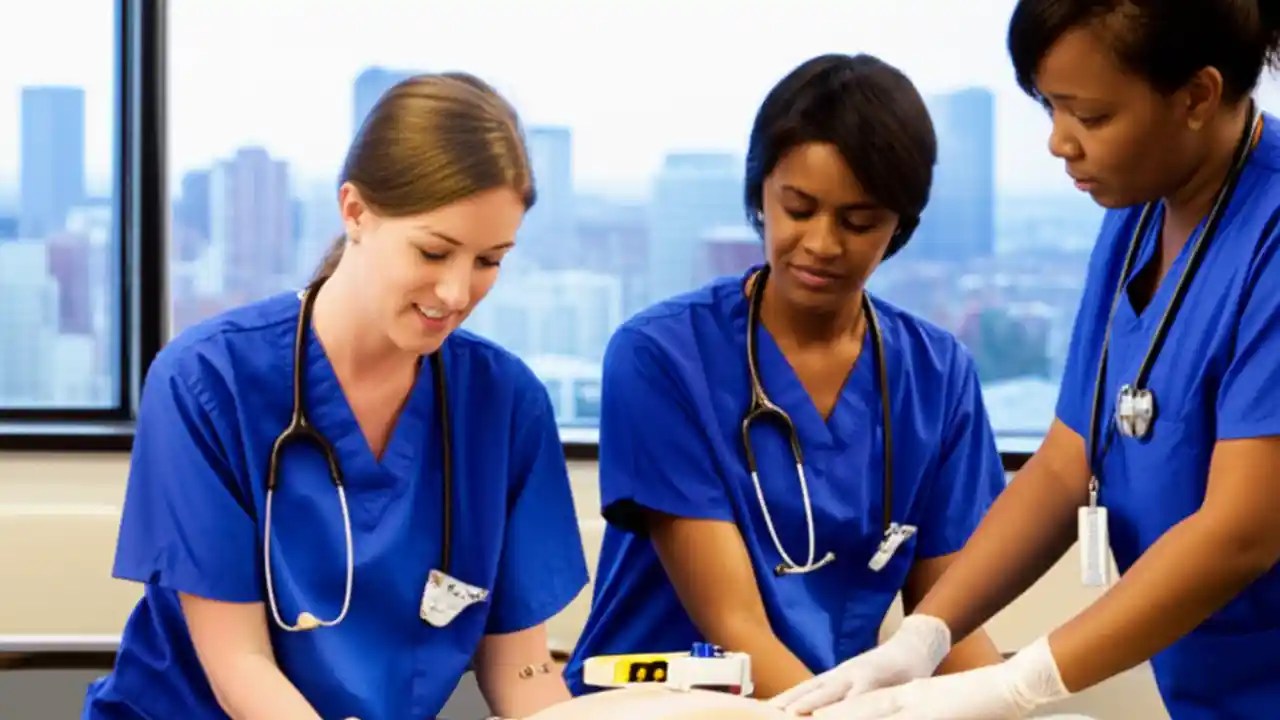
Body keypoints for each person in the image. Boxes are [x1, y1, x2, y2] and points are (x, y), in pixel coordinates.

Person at [771, 2, 1280, 718]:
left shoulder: (1270, 235)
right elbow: (1070, 457)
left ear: (1196, 95)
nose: (1059, 143)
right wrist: (923, 637)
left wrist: (1014, 686)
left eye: (1090, 117)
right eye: (1050, 108)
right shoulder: (1139, 214)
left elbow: (1242, 532)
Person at [81, 72, 589, 720]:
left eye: (489, 261)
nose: (457, 292)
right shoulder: (207, 382)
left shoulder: (505, 407)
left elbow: (521, 674)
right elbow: (242, 669)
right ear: (355, 211)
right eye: (434, 252)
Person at [563, 53, 1007, 702]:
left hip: (824, 704)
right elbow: (735, 624)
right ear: (760, 194)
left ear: (899, 227)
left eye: (858, 222)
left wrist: (1010, 704)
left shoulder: (937, 377)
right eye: (798, 208)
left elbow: (946, 625)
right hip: (667, 706)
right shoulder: (661, 356)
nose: (823, 244)